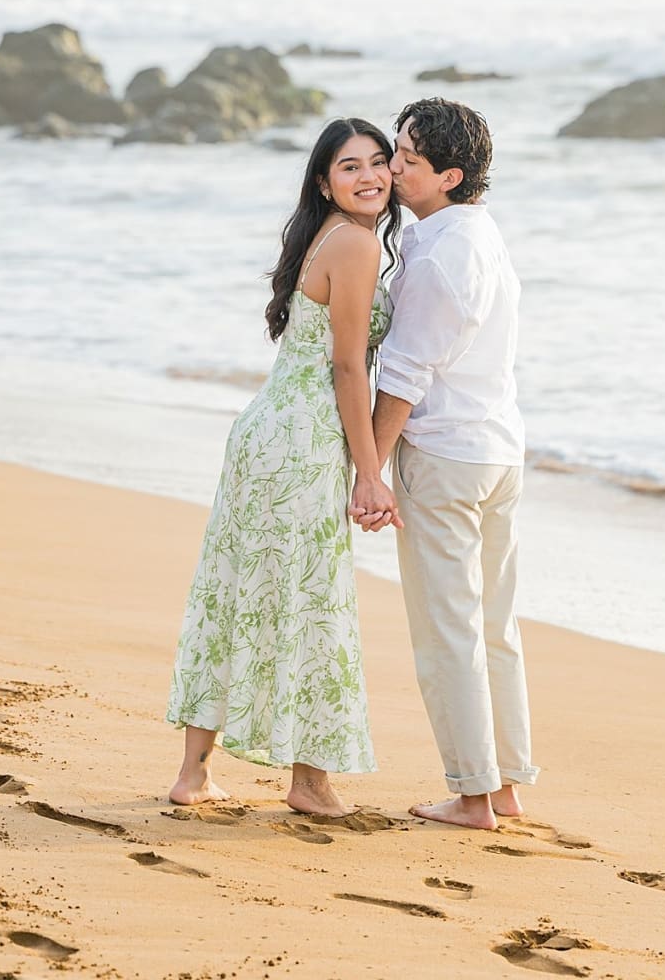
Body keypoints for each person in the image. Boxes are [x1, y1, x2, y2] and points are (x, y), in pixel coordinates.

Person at [166, 117, 402, 817]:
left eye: (379, 162)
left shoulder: (326, 236)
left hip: (266, 433)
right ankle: (307, 783)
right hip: (301, 444)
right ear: (325, 181)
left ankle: (194, 773)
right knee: (310, 604)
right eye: (350, 167)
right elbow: (348, 367)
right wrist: (369, 470)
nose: (370, 176)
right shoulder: (356, 244)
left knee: (235, 595)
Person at [354, 97, 538, 831]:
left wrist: (369, 468)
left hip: (449, 460)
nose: (391, 169)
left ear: (450, 174)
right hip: (497, 453)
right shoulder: (478, 233)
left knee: (448, 633)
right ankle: (505, 785)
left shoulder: (441, 253)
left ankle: (470, 795)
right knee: (493, 626)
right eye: (396, 150)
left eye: (407, 159)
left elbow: (405, 373)